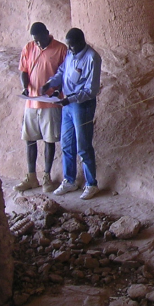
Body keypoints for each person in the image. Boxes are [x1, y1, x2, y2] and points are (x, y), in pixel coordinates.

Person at [41, 27, 102, 200]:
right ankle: (69, 180)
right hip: (67, 105)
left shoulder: (92, 58)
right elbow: (62, 72)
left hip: (82, 105)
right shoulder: (70, 54)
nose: (70, 49)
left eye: (73, 46)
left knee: (83, 146)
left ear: (82, 42)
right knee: (67, 144)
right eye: (69, 46)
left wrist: (71, 99)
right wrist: (50, 84)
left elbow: (91, 90)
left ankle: (91, 184)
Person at [14, 22, 68, 193]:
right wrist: (25, 87)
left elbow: (64, 74)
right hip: (31, 102)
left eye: (39, 40)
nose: (37, 43)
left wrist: (56, 91)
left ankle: (47, 176)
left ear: (47, 33)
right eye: (35, 41)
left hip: (50, 103)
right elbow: (24, 70)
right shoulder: (29, 47)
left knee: (49, 140)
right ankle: (31, 177)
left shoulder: (60, 49)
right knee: (30, 139)